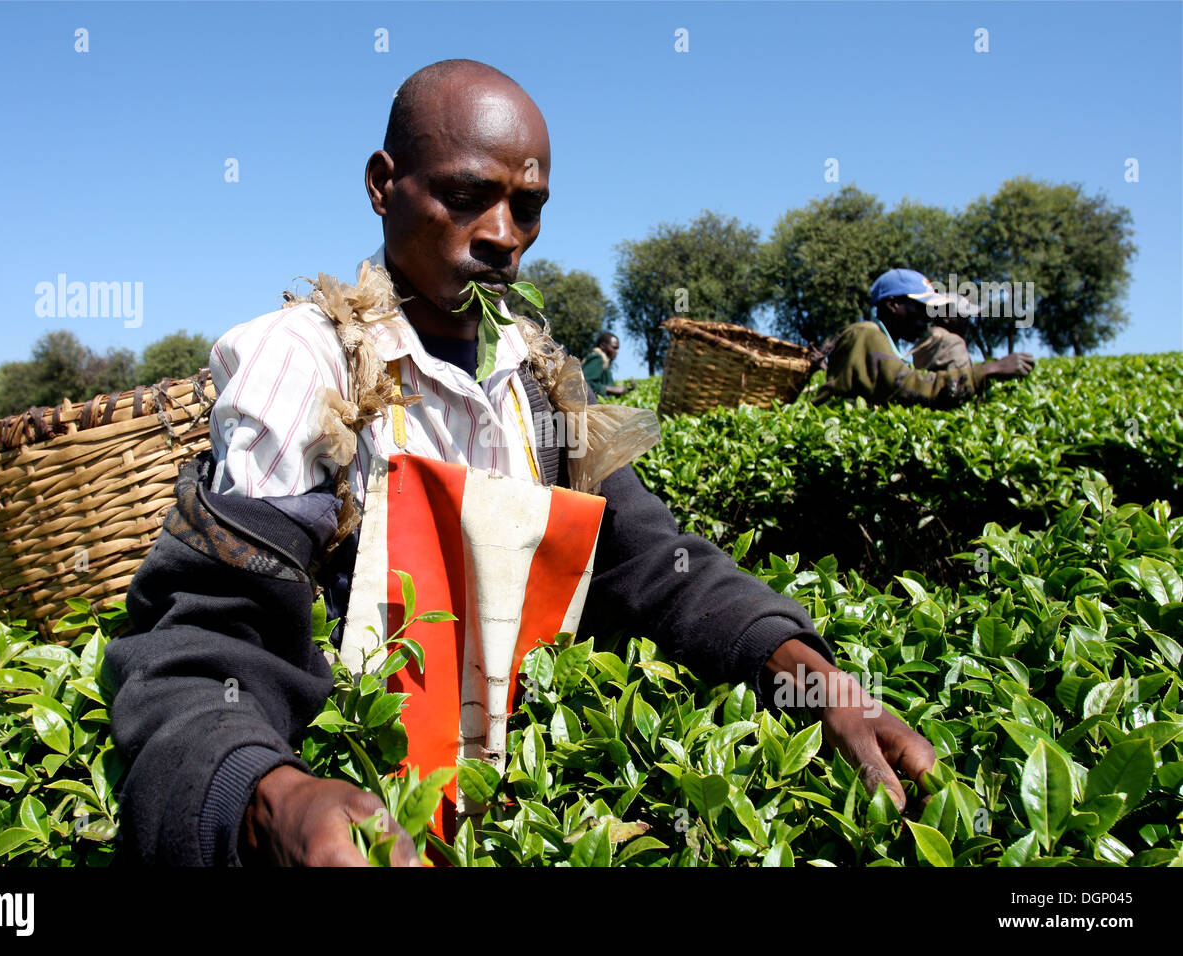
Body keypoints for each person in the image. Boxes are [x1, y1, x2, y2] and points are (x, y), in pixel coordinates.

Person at [102, 59, 936, 867]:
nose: (503, 235)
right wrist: (270, 799)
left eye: (527, 206)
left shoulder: (544, 380)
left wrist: (804, 671)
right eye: (466, 196)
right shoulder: (304, 365)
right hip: (373, 802)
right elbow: (203, 641)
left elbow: (654, 560)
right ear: (382, 184)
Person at [812, 268, 1035, 407]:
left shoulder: (886, 343)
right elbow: (908, 387)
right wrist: (989, 370)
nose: (928, 316)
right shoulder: (867, 333)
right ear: (893, 305)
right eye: (921, 307)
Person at [581, 331, 633, 397]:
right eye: (614, 348)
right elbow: (584, 383)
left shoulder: (604, 362)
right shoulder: (597, 358)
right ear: (603, 346)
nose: (616, 352)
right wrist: (612, 389)